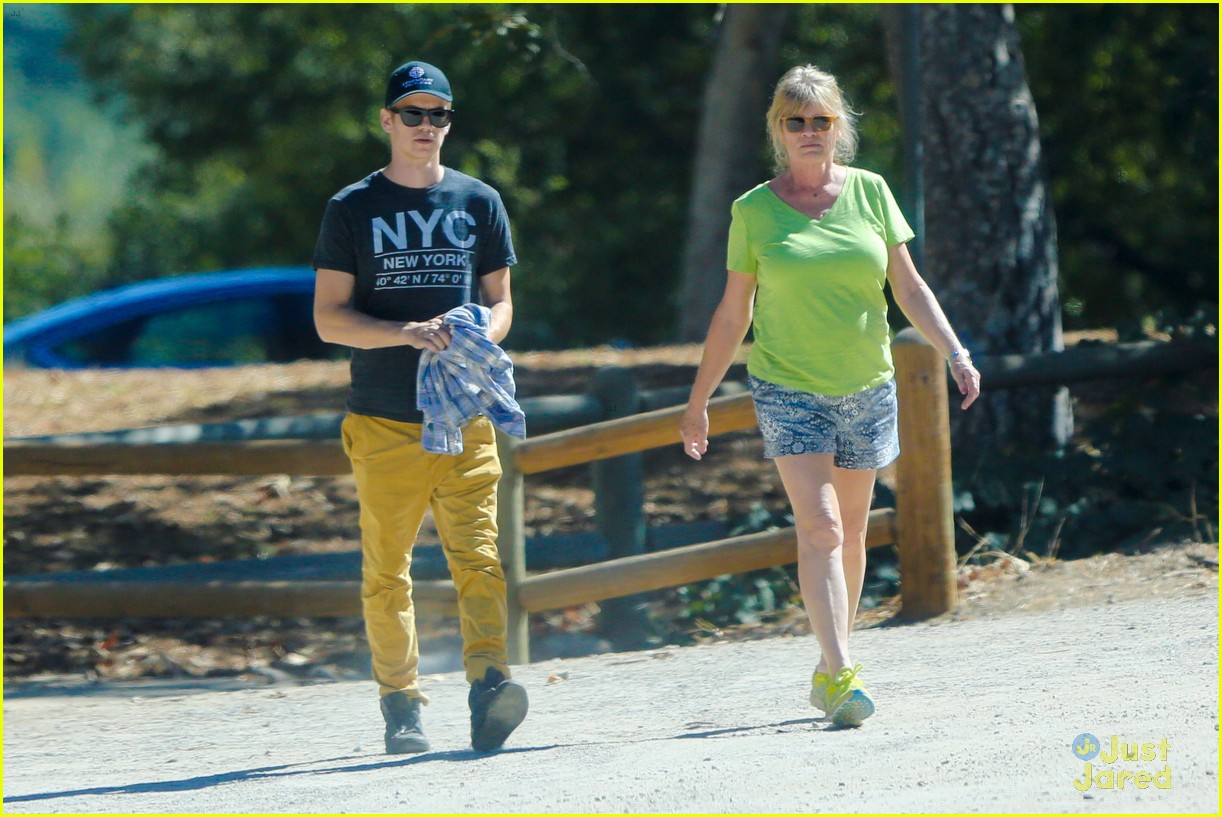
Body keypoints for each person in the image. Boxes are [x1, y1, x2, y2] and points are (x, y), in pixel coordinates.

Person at [679, 65, 981, 728]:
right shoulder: (753, 211)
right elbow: (734, 313)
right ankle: (844, 675)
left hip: (867, 387)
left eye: (820, 120)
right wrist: (700, 397)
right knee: (820, 526)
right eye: (796, 121)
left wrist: (955, 350)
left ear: (838, 127)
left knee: (849, 537)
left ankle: (827, 666)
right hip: (789, 387)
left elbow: (908, 287)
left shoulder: (871, 193)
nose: (809, 132)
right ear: (778, 130)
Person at [312, 59, 528, 754]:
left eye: (439, 115)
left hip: (464, 416)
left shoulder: (478, 201)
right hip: (382, 418)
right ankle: (400, 703)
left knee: (482, 560)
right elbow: (329, 319)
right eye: (413, 113)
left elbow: (502, 302)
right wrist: (404, 333)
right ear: (387, 121)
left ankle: (490, 686)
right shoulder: (352, 208)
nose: (426, 127)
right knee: (387, 570)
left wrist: (476, 336)